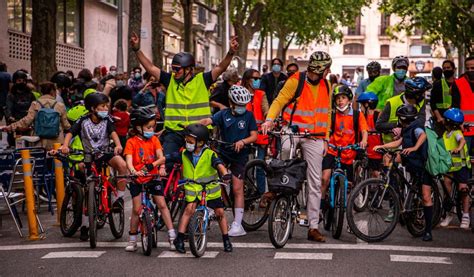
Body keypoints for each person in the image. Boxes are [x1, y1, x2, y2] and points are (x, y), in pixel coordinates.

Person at [130, 32, 239, 165]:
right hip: (174, 133)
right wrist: (137, 49)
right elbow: (150, 67)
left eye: (178, 70)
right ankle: (170, 185)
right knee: (167, 166)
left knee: (200, 167)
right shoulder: (170, 80)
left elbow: (221, 67)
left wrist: (230, 52)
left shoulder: (203, 80)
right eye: (173, 69)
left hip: (199, 133)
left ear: (189, 69)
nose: (174, 72)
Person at [262, 51, 333, 242]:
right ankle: (278, 189)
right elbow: (279, 101)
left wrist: (326, 138)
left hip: (315, 137)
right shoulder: (295, 81)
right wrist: (269, 120)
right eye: (327, 68)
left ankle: (313, 227)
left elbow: (327, 113)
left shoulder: (327, 85)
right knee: (284, 151)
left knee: (315, 182)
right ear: (321, 69)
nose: (329, 72)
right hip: (292, 130)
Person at [59, 93, 128, 241]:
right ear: (92, 108)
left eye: (106, 105)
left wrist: (118, 145)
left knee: (122, 165)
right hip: (89, 156)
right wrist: (65, 146)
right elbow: (70, 133)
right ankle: (85, 225)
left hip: (105, 153)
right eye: (102, 106)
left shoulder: (107, 120)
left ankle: (119, 199)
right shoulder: (82, 121)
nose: (106, 108)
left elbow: (113, 133)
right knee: (88, 190)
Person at [200, 85, 258, 236]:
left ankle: (238, 224)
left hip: (240, 155)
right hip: (224, 152)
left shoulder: (249, 116)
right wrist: (195, 126)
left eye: (244, 105)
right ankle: (214, 207)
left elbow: (254, 136)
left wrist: (243, 142)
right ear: (231, 103)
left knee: (237, 189)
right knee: (213, 178)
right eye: (239, 105)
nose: (242, 108)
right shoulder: (223, 114)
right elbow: (209, 120)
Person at [374, 104, 434, 241]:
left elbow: (423, 136)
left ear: (403, 118)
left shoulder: (416, 128)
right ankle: (400, 193)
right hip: (412, 163)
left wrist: (414, 148)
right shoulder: (407, 129)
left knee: (425, 196)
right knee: (391, 159)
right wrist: (382, 146)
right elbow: (398, 143)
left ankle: (428, 230)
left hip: (423, 166)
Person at [173, 123, 233, 253]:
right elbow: (170, 159)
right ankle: (180, 239)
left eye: (190, 141)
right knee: (189, 210)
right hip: (194, 188)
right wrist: (157, 164)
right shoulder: (184, 153)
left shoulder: (209, 154)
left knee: (220, 213)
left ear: (200, 143)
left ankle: (226, 239)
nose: (187, 143)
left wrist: (225, 174)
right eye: (186, 140)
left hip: (211, 190)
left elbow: (219, 165)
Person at [124, 106, 176, 252]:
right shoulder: (131, 142)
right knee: (136, 209)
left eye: (153, 127)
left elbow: (160, 156)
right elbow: (128, 160)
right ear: (138, 127)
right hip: (137, 179)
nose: (152, 130)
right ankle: (132, 239)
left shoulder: (154, 140)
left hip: (153, 176)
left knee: (162, 204)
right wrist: (133, 171)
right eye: (149, 127)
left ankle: (172, 236)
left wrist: (161, 167)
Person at [321, 85, 368, 203]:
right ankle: (321, 203)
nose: (340, 100)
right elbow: (327, 131)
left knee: (349, 184)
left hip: (348, 153)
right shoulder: (332, 115)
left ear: (349, 99)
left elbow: (364, 130)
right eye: (337, 98)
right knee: (324, 178)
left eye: (343, 97)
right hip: (332, 150)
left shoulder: (357, 115)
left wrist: (364, 140)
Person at [0, 82, 71, 150]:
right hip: (57, 143)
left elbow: (25, 122)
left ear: (41, 92)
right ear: (53, 91)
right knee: (57, 161)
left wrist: (10, 127)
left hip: (39, 142)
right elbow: (66, 125)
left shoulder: (35, 104)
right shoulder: (60, 105)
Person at [439, 108, 471, 229]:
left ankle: (466, 215)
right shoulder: (445, 135)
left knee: (463, 189)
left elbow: (461, 140)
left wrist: (458, 148)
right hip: (450, 166)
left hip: (461, 166)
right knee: (446, 184)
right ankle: (450, 211)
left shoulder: (456, 132)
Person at [376, 77, 429, 144]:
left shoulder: (421, 102)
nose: (423, 96)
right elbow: (379, 125)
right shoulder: (392, 103)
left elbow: (421, 121)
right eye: (422, 93)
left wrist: (404, 129)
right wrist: (396, 126)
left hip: (411, 146)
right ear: (416, 95)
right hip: (391, 146)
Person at [242, 69, 269, 194]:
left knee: (260, 165)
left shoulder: (261, 94)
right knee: (245, 166)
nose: (258, 81)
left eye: (259, 78)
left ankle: (261, 194)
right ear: (248, 80)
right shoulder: (240, 93)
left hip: (260, 135)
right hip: (244, 135)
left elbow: (266, 110)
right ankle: (247, 191)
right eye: (255, 78)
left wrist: (269, 119)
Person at [5, 70, 36, 146]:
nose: (22, 82)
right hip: (15, 124)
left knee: (28, 146)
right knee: (13, 144)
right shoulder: (11, 95)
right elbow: (8, 107)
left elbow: (35, 106)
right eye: (19, 80)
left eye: (24, 81)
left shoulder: (30, 94)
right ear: (15, 81)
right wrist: (10, 117)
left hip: (27, 125)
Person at [356, 92, 383, 176]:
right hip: (365, 148)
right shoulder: (361, 115)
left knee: (375, 173)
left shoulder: (378, 115)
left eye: (361, 105)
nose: (360, 107)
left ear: (367, 104)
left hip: (375, 149)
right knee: (359, 168)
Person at [430, 60, 457, 135]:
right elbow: (433, 103)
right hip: (441, 122)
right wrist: (439, 117)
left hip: (455, 120)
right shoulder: (437, 84)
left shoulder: (459, 84)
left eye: (448, 67)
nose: (446, 70)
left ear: (454, 69)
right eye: (444, 68)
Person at [453, 57, 474, 152]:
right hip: (465, 130)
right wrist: (458, 123)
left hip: (466, 129)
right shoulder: (458, 83)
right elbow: (455, 105)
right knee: (463, 160)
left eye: (473, 68)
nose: (470, 71)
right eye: (468, 68)